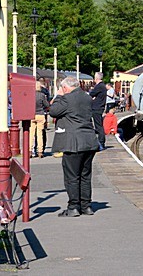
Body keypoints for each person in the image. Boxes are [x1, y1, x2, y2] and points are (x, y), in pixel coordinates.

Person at [50, 76, 100, 217]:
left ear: (65, 88)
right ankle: (86, 206)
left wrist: (59, 96)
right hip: (89, 141)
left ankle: (73, 207)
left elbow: (53, 111)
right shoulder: (87, 98)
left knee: (72, 176)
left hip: (73, 143)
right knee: (85, 176)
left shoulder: (67, 98)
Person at [88, 71, 107, 150]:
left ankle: (101, 143)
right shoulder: (102, 86)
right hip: (99, 107)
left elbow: (91, 94)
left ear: (96, 78)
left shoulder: (99, 86)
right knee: (98, 125)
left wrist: (92, 92)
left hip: (97, 108)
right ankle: (100, 142)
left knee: (98, 126)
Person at [31, 81, 50, 158]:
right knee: (39, 134)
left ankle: (30, 150)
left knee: (31, 134)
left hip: (31, 115)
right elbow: (47, 105)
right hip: (40, 115)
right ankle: (40, 151)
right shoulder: (42, 95)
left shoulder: (30, 95)